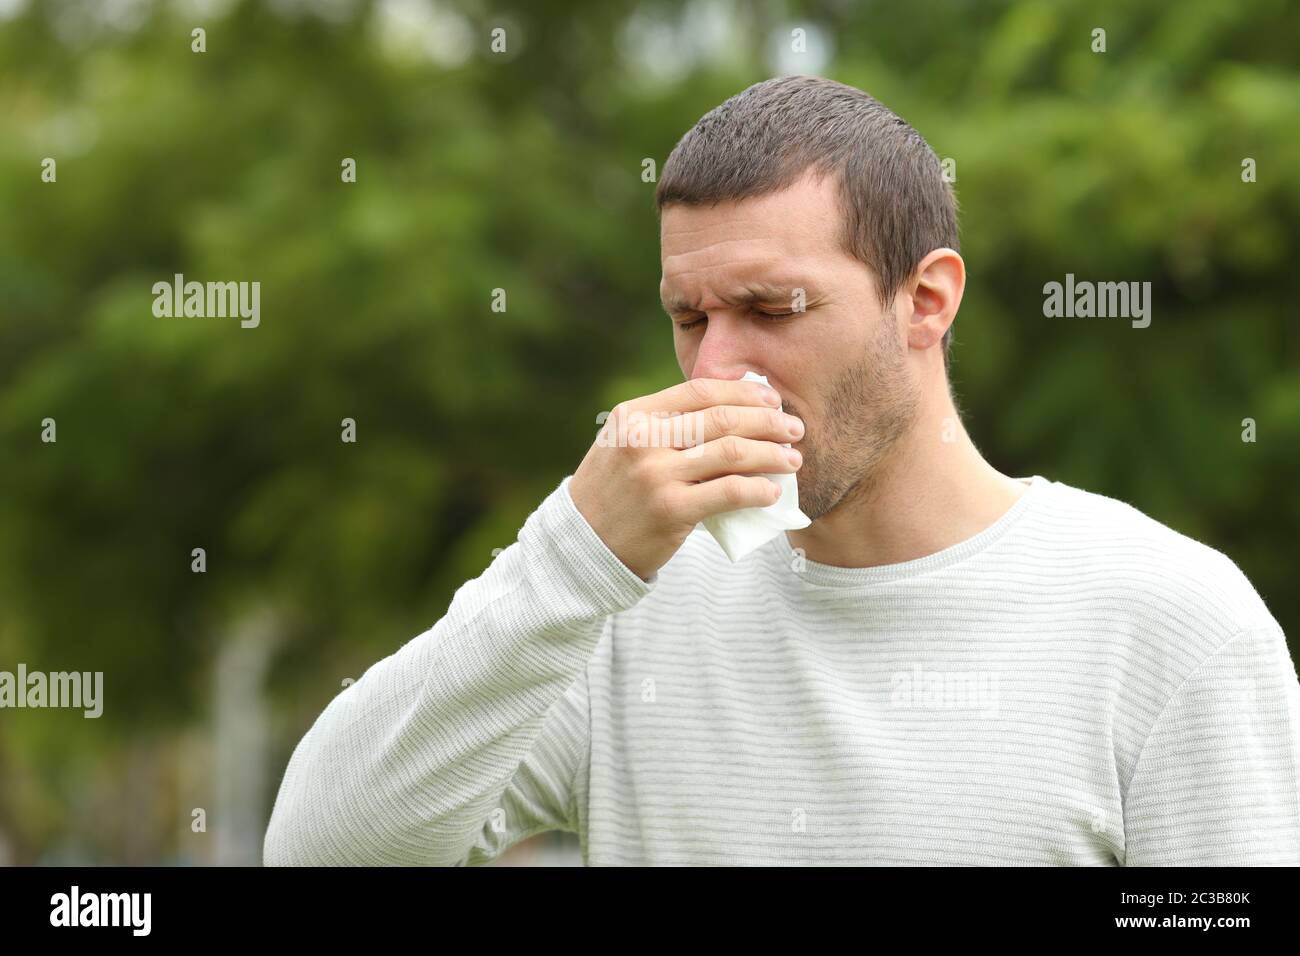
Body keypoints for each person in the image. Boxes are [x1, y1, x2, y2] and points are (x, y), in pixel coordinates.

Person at [264, 75, 1300, 866]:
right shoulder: (616, 604)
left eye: (770, 308)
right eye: (689, 317)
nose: (717, 364)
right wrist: (575, 554)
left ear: (926, 301)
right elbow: (321, 847)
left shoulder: (1169, 623)